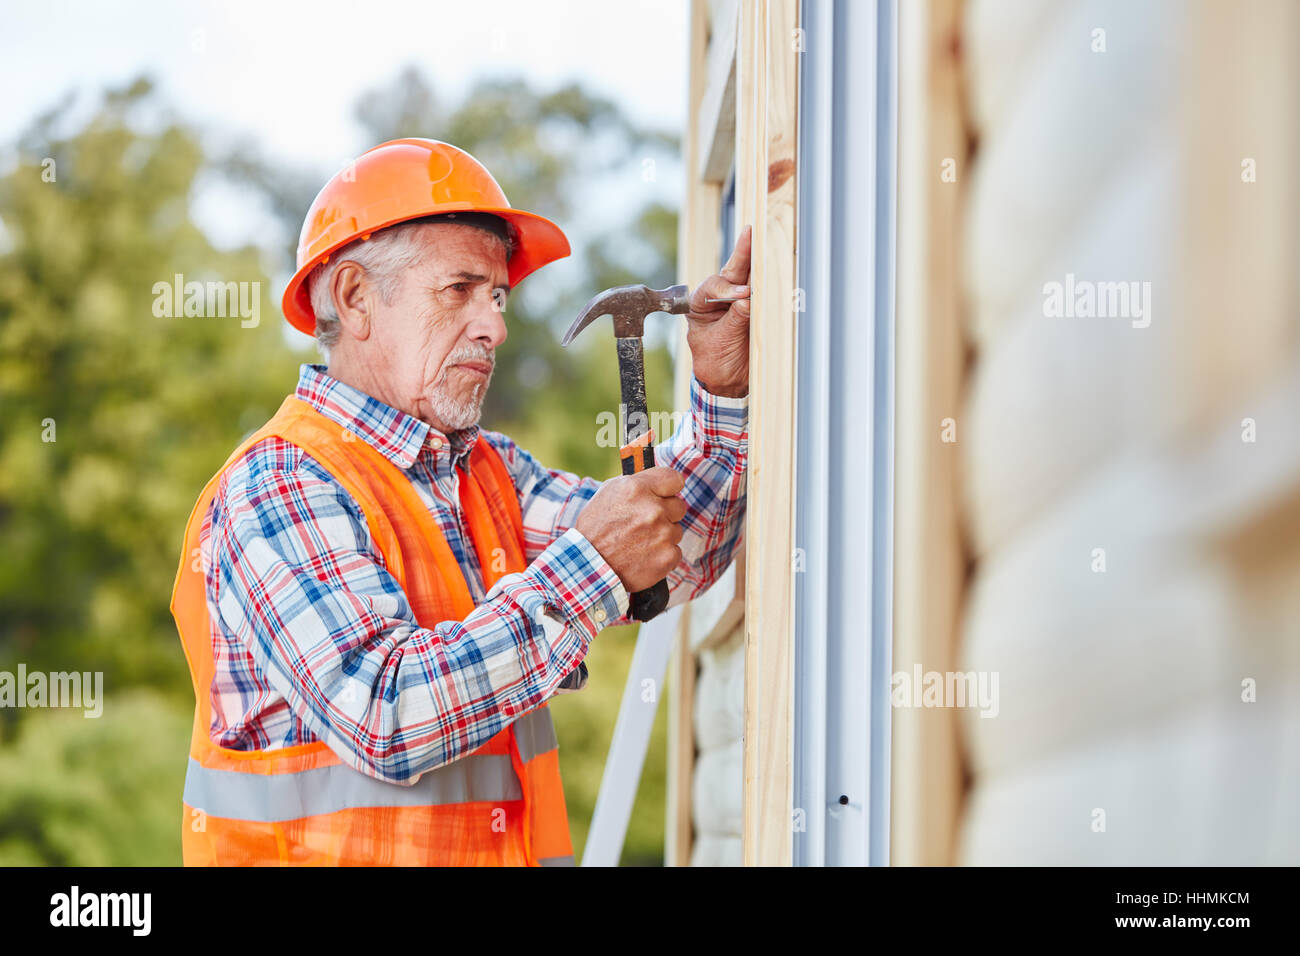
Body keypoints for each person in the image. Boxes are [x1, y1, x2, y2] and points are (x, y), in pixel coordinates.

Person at [170, 138, 753, 865]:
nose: (496, 327)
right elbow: (384, 711)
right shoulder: (283, 482)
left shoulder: (486, 472)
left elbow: (672, 547)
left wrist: (724, 397)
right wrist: (593, 565)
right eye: (460, 290)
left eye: (499, 295)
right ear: (355, 298)